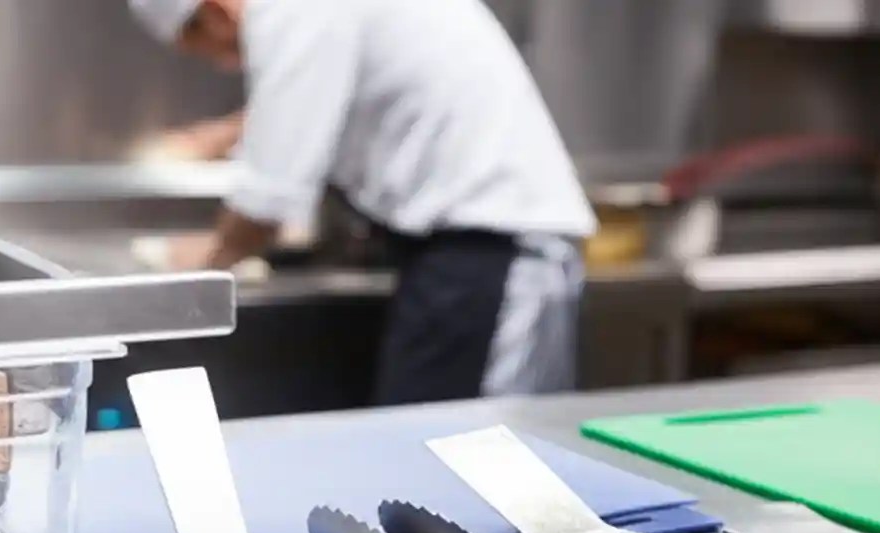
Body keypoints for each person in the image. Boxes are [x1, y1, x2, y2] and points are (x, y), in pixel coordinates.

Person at [128, 0, 596, 405]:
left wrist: (206, 261)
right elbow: (319, 95)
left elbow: (268, 200)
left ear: (213, 11)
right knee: (434, 448)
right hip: (473, 251)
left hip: (493, 254)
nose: (224, 63)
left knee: (472, 457)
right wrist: (223, 136)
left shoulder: (292, 10)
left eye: (204, 45)